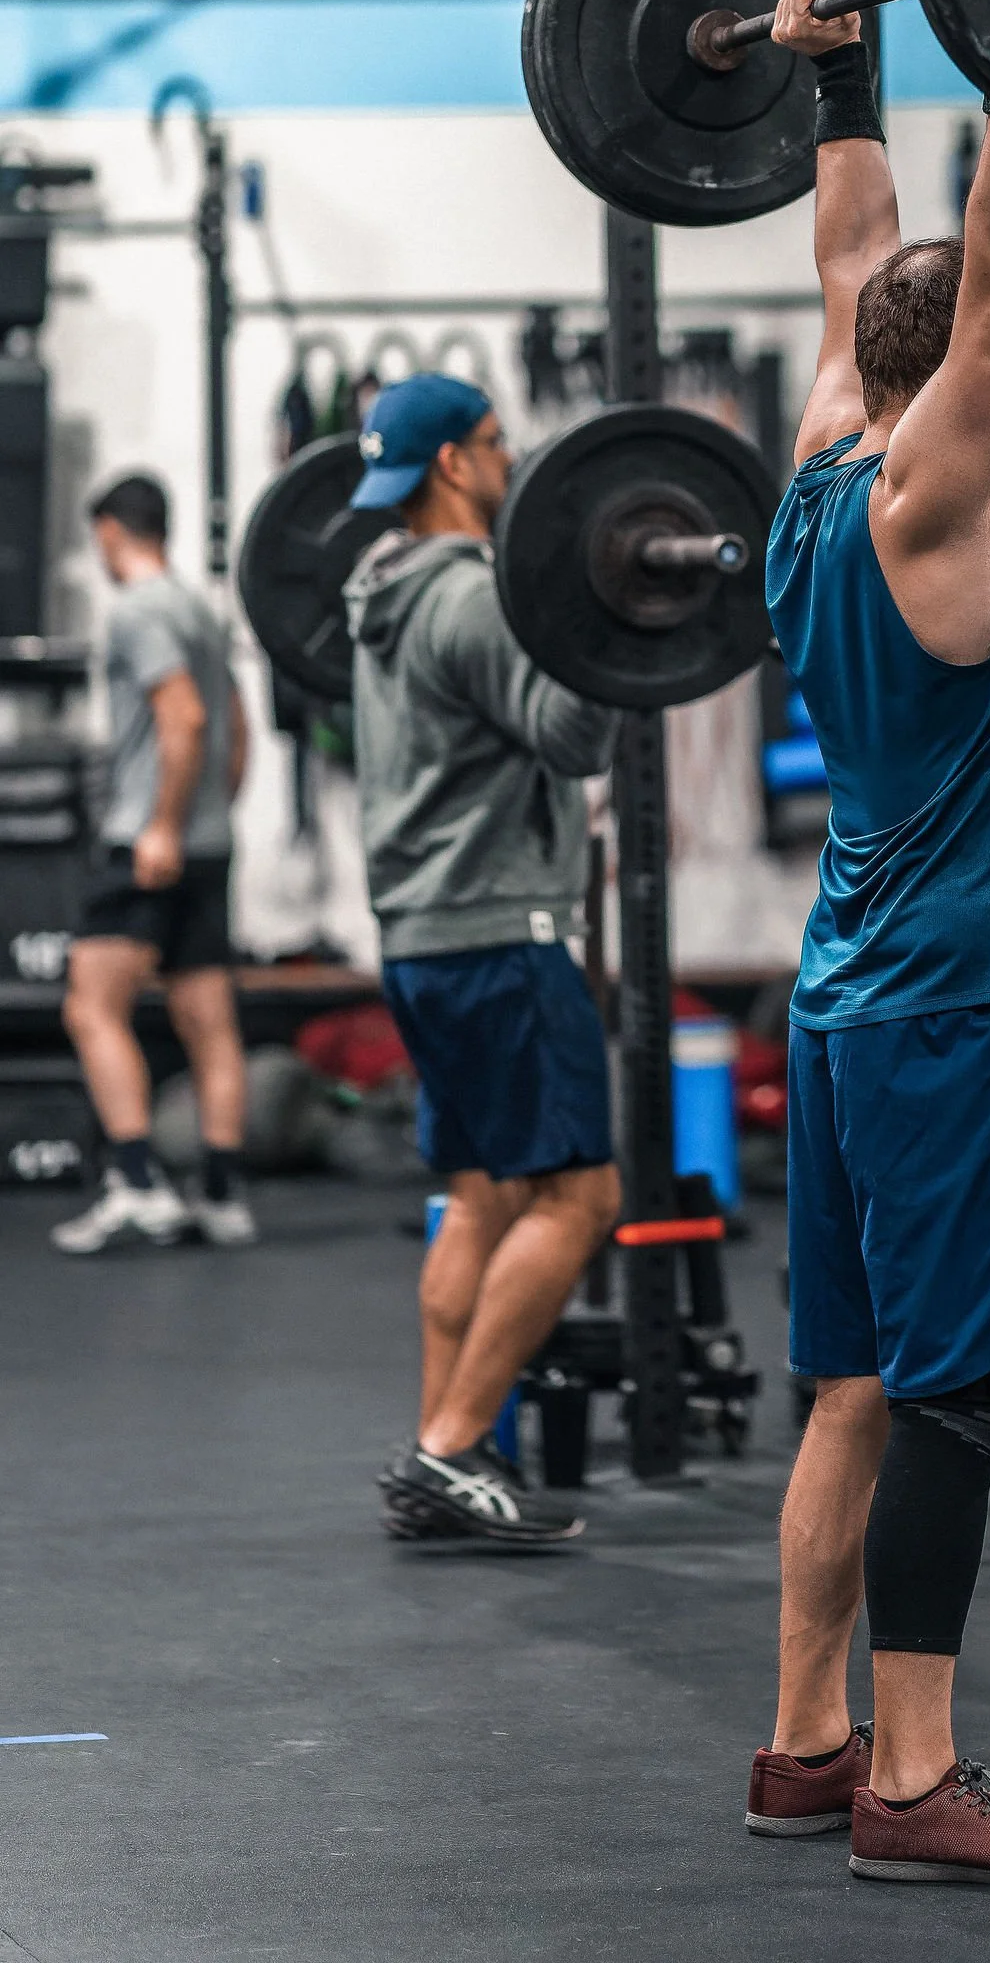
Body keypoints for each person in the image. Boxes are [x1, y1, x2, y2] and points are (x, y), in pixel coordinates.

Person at [752, 0, 990, 1886]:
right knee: (957, 1395)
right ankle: (913, 1780)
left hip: (841, 997)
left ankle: (806, 1746)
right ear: (964, 379)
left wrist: (837, 68)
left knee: (852, 1388)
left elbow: (847, 251)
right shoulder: (925, 499)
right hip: (952, 1005)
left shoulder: (818, 461)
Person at [341, 374, 622, 1549]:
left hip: (424, 937)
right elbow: (566, 729)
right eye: (499, 444)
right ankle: (452, 1445)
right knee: (579, 1195)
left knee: (482, 1190)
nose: (512, 462)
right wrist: (615, 625)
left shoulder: (383, 588)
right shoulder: (470, 597)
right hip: (500, 930)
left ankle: (438, 1450)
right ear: (453, 463)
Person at [54, 473, 253, 1256]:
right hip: (207, 842)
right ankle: (223, 1194)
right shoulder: (201, 610)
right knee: (207, 1022)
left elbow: (189, 715)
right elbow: (233, 725)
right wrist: (213, 812)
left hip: (147, 840)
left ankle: (137, 1184)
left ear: (110, 531)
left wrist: (164, 825)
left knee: (89, 1007)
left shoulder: (140, 610)